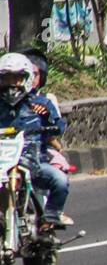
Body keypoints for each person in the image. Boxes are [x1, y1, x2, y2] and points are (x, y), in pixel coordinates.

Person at [0, 53, 71, 228]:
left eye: (16, 79)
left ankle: (50, 218)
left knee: (60, 180)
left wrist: (47, 118)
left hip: (33, 161)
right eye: (7, 78)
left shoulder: (41, 103)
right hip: (2, 161)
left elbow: (59, 126)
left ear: (26, 79)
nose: (11, 84)